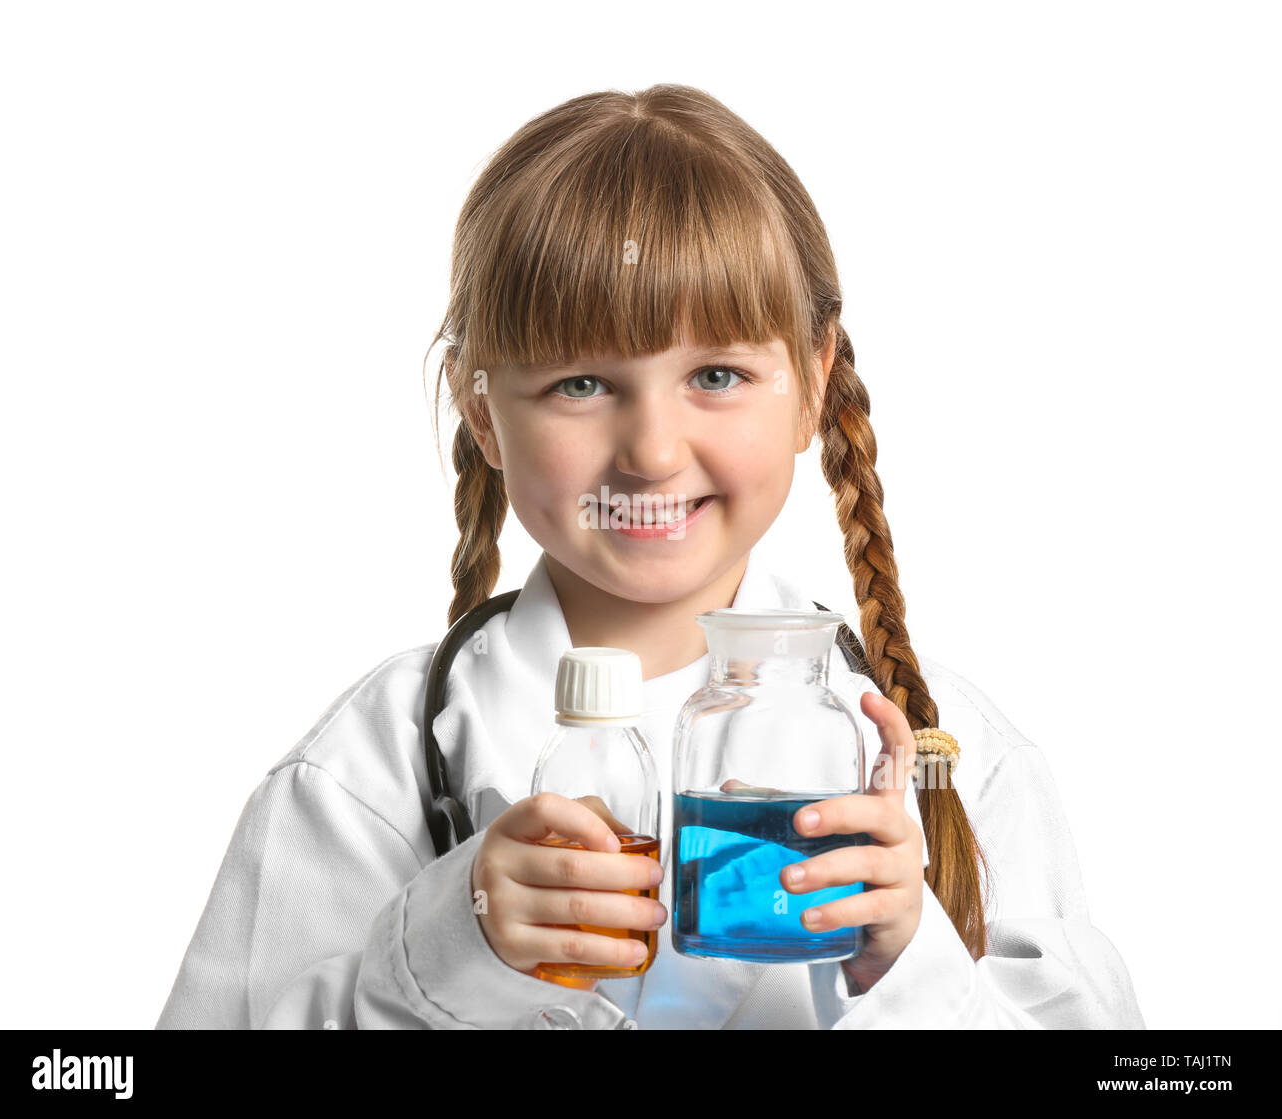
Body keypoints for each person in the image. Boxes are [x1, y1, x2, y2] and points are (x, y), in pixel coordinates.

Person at [156, 83, 1144, 1030]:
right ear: (480, 410)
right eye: (582, 383)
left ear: (812, 381)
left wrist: (909, 962)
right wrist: (444, 954)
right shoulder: (369, 772)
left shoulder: (958, 765)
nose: (654, 452)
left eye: (716, 374)